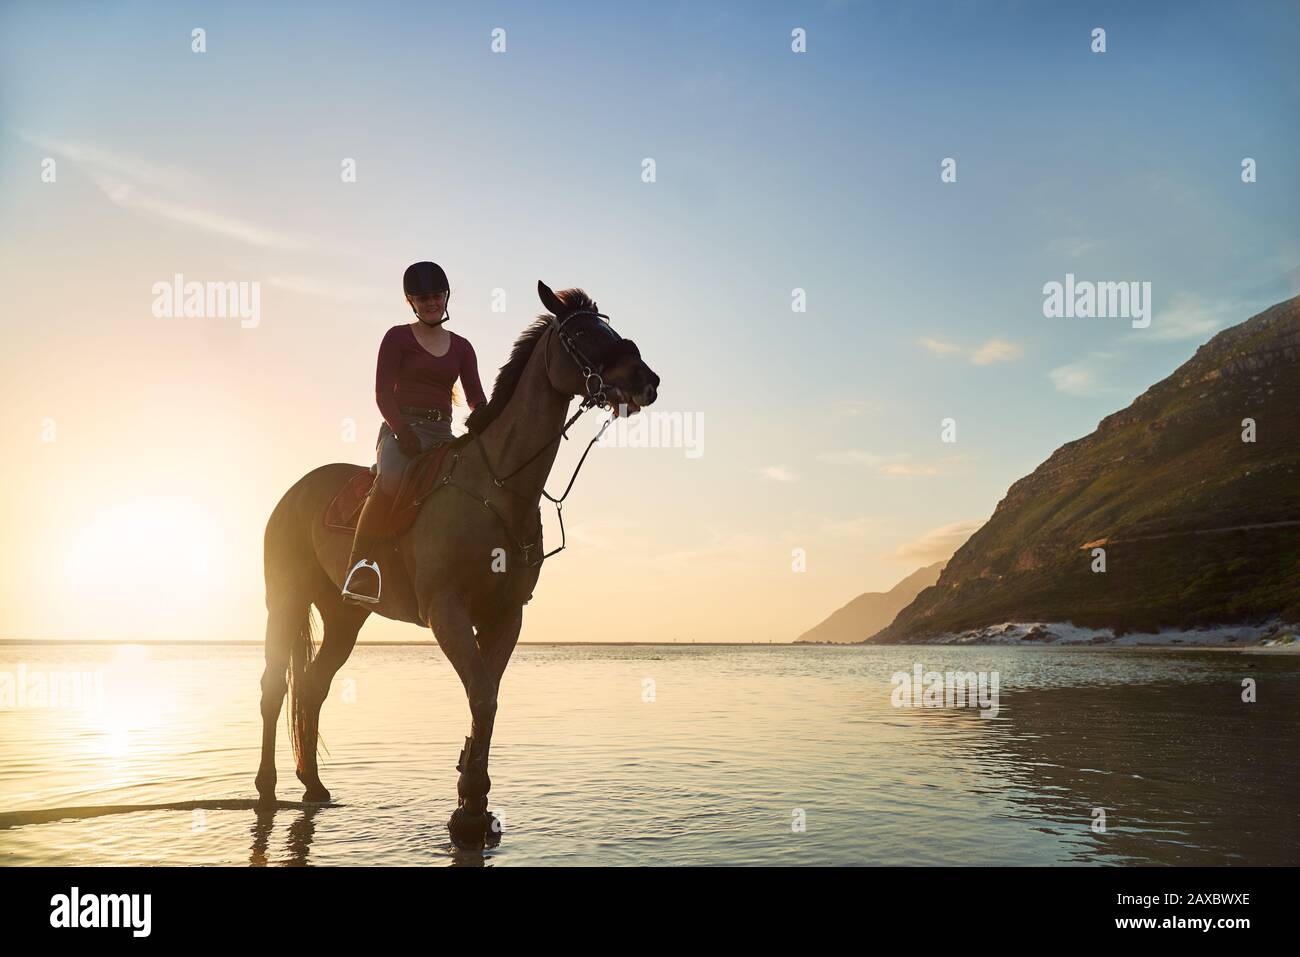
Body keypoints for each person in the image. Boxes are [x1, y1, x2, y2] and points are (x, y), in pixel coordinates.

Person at [341, 262, 488, 604]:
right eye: (423, 298)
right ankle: (359, 567)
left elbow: (476, 397)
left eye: (436, 295)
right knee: (390, 479)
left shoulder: (463, 347)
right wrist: (401, 430)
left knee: (469, 486)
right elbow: (381, 394)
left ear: (445, 297)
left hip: (442, 434)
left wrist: (484, 416)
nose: (431, 302)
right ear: (411, 301)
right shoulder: (397, 337)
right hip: (400, 428)